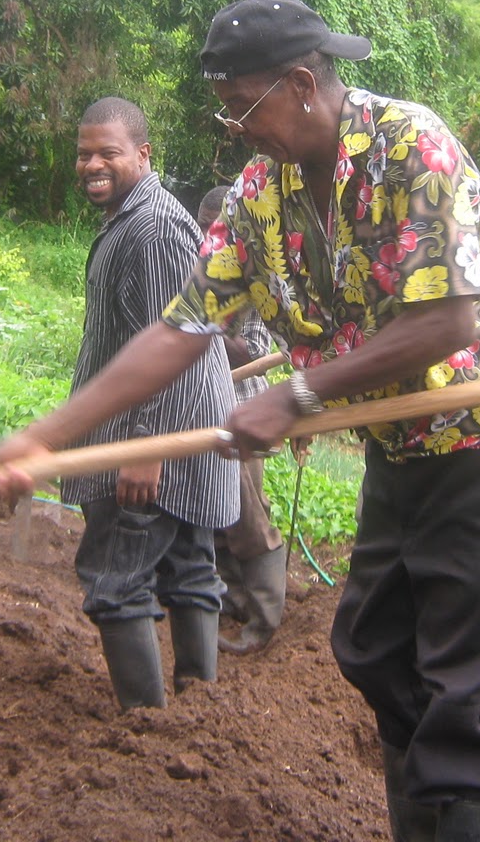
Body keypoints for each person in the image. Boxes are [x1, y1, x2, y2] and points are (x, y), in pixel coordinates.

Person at [0, 0, 480, 842]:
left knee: (467, 702)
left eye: (240, 105)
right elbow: (180, 328)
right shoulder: (261, 191)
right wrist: (47, 435)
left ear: (300, 83)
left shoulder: (412, 149)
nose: (232, 126)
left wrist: (297, 395)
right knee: (376, 651)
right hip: (398, 455)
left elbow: (446, 322)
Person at [52, 96, 239, 711]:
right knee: (188, 568)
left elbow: (170, 346)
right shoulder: (134, 218)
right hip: (180, 436)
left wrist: (144, 447)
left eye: (108, 152)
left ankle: (149, 732)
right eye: (84, 154)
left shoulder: (154, 227)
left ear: (143, 153)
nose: (92, 165)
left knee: (115, 579)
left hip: (155, 440)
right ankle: (198, 711)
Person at [196, 185, 287, 657]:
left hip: (243, 410)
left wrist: (206, 327)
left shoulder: (249, 284)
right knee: (217, 514)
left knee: (249, 520)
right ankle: (233, 602)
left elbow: (254, 351)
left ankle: (264, 621)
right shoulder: (203, 275)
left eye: (215, 233)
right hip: (204, 411)